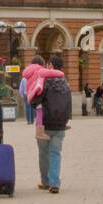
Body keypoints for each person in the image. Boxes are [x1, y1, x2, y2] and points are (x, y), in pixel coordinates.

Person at [31, 54, 71, 192]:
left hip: (45, 124)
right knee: (55, 153)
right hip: (60, 124)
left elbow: (35, 100)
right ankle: (55, 183)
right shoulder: (66, 83)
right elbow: (69, 103)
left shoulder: (44, 82)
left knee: (43, 153)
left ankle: (45, 181)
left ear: (51, 66)